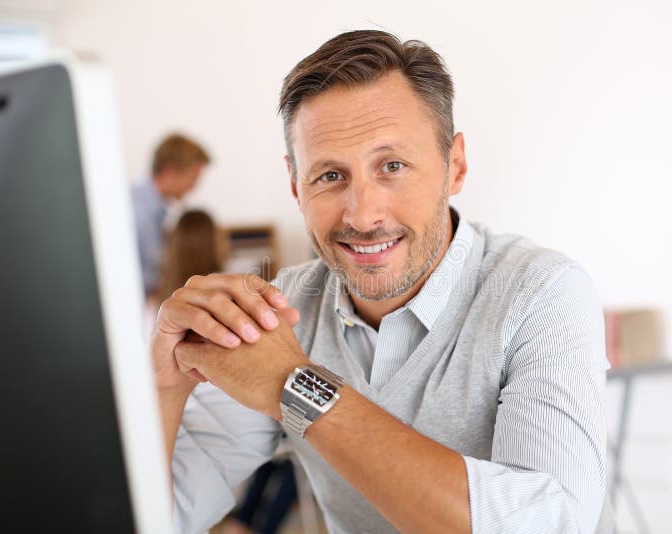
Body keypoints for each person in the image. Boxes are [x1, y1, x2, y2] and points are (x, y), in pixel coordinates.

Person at [153, 30, 611, 533]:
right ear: (295, 186)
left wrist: (296, 385)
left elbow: (551, 525)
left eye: (392, 166)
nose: (364, 214)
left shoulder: (542, 292)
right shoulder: (282, 312)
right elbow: (159, 516)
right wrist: (165, 385)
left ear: (454, 167)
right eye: (330, 176)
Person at [131, 133, 211, 296]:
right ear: (170, 170)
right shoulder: (136, 211)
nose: (192, 187)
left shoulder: (155, 211)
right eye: (193, 178)